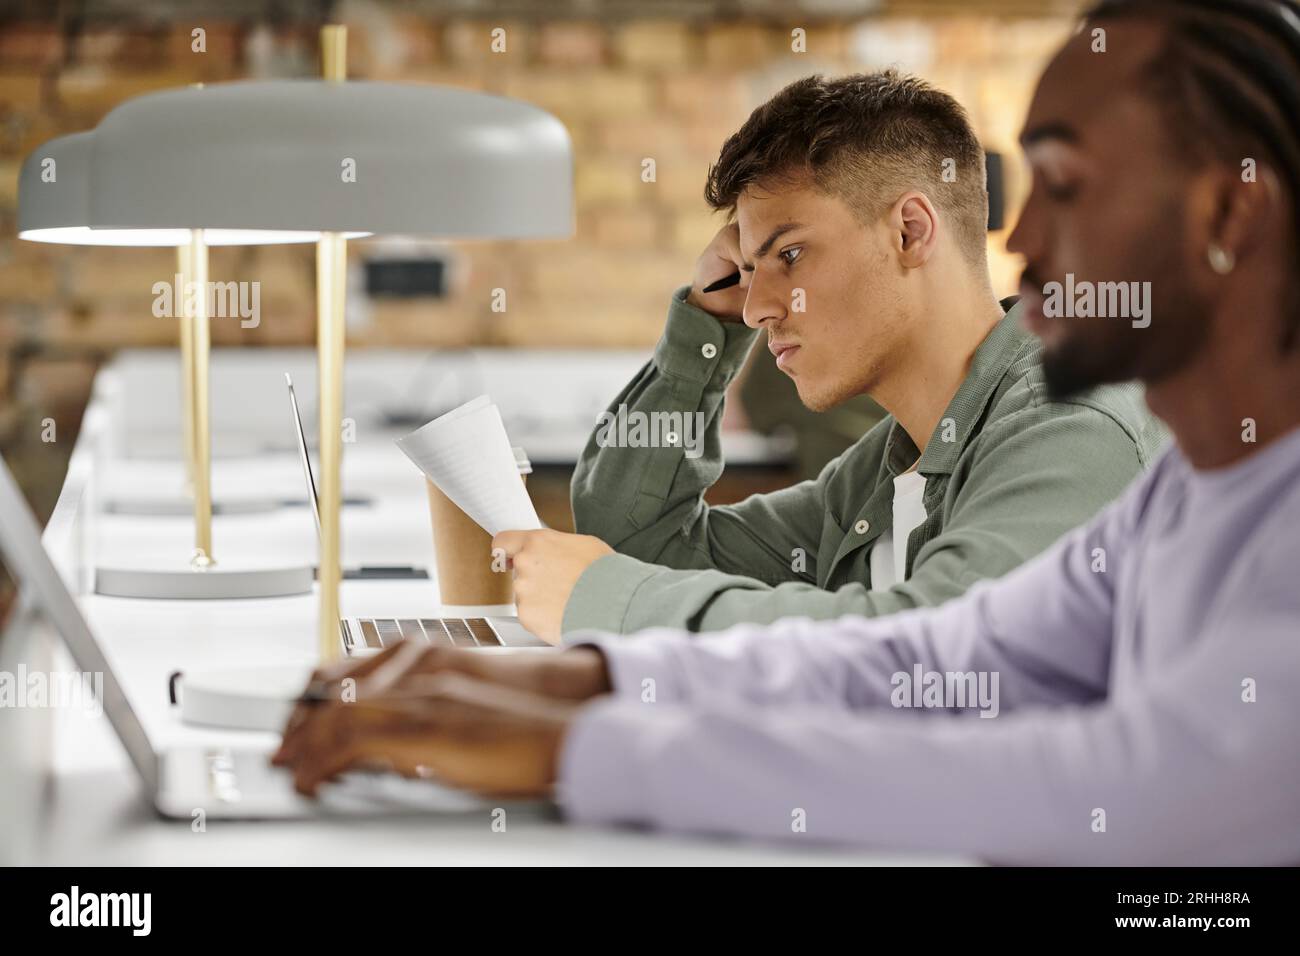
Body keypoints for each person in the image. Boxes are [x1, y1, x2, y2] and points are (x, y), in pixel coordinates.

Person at [275, 0, 1300, 864]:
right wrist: (582, 676)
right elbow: (926, 655)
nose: (1022, 239)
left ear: (1228, 216)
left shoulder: (1088, 435)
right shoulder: (1171, 494)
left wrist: (578, 739)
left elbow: (1053, 757)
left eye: (1065, 188)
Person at [491, 71, 1164, 644]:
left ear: (910, 231)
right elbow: (636, 544)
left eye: (789, 254)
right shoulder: (892, 463)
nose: (757, 308)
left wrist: (621, 604)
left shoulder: (1072, 423)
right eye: (748, 270)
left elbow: (941, 644)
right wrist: (708, 317)